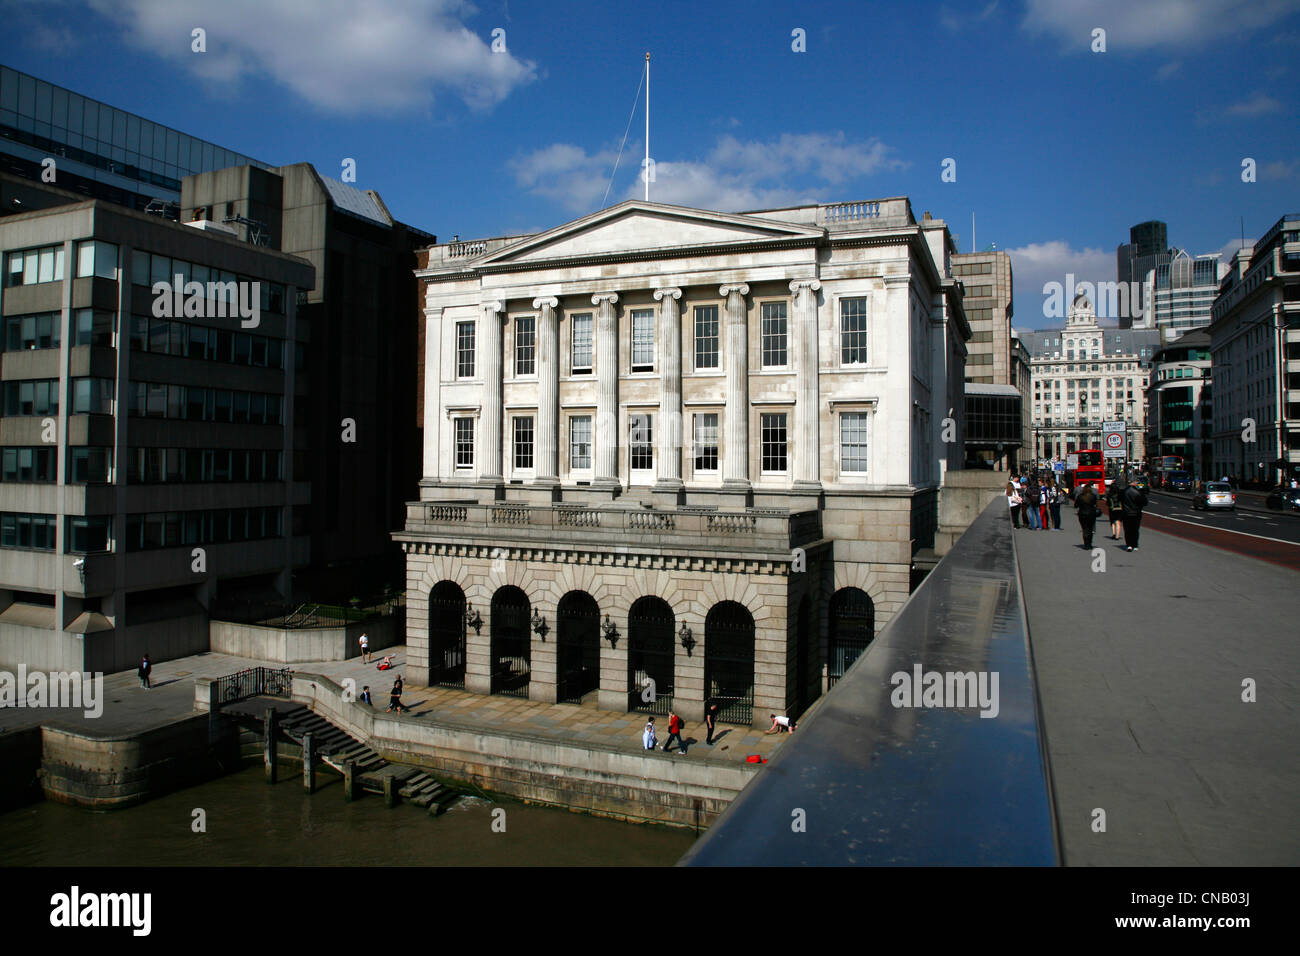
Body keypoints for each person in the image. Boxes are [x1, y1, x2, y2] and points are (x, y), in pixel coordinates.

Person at [1118, 473, 1148, 552]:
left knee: (1127, 530)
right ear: (1134, 482)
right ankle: (1135, 544)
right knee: (1135, 530)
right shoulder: (1138, 492)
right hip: (1136, 513)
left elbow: (1120, 500)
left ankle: (1129, 545)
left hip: (1126, 513)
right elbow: (1144, 502)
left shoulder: (1124, 491)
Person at [1075, 481, 1100, 549]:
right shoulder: (1093, 496)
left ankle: (1086, 544)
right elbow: (1096, 504)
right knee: (1090, 529)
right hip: (1091, 514)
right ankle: (1089, 543)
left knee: (1085, 529)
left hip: (1082, 514)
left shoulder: (1080, 496)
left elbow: (1076, 505)